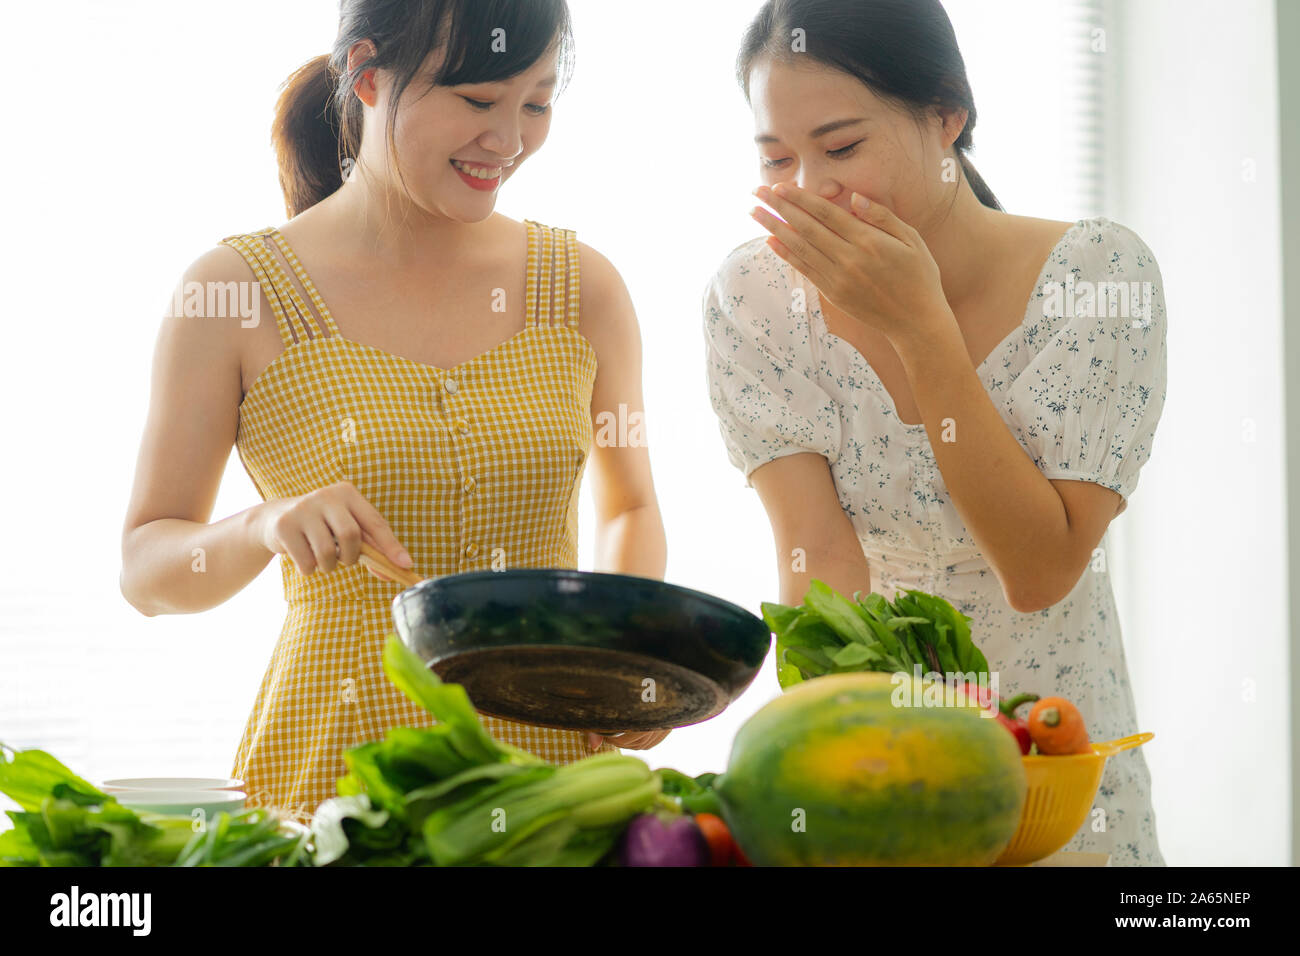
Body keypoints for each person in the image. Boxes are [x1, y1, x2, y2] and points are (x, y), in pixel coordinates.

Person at [120, 0, 667, 825]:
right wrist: (266, 524)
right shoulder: (233, 292)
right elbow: (146, 570)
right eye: (479, 101)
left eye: (538, 103)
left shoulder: (583, 284)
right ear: (368, 75)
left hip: (546, 775)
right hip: (329, 774)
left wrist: (616, 662)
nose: (510, 140)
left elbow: (629, 505)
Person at [703, 0, 1166, 865]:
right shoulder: (753, 298)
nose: (809, 189)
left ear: (947, 115)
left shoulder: (1099, 278)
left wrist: (921, 330)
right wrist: (829, 774)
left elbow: (1039, 571)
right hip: (888, 770)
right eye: (776, 158)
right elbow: (820, 572)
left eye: (841, 148)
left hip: (1055, 767)